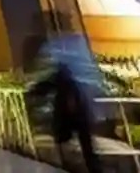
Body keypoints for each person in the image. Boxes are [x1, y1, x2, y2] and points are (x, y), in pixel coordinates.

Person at [29, 32, 103, 173]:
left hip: (68, 117)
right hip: (79, 114)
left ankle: (70, 166)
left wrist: (33, 92)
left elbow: (46, 87)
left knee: (70, 147)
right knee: (87, 148)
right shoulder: (75, 75)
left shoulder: (61, 76)